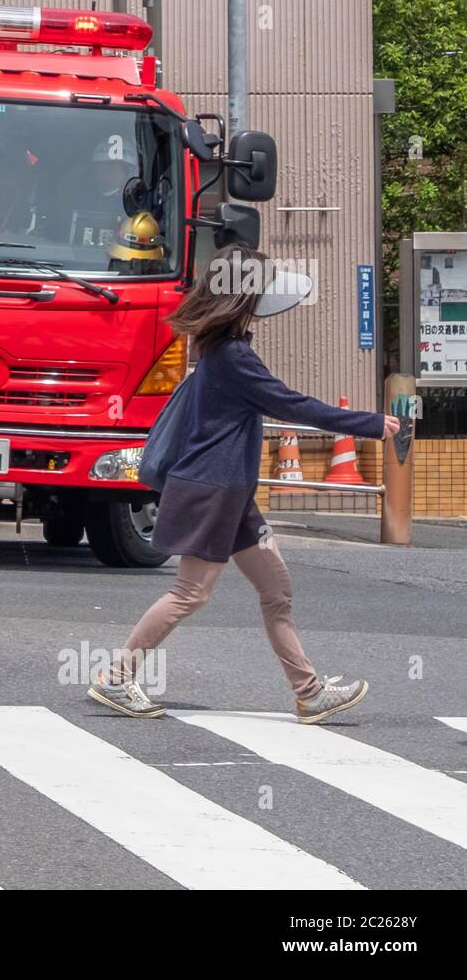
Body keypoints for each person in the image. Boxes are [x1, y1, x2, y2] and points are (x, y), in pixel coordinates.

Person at [88, 247, 400, 725]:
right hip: (211, 488)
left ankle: (309, 693)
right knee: (190, 593)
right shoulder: (233, 357)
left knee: (276, 588)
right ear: (243, 296)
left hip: (229, 491)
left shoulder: (221, 350)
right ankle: (117, 676)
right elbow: (293, 405)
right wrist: (370, 423)